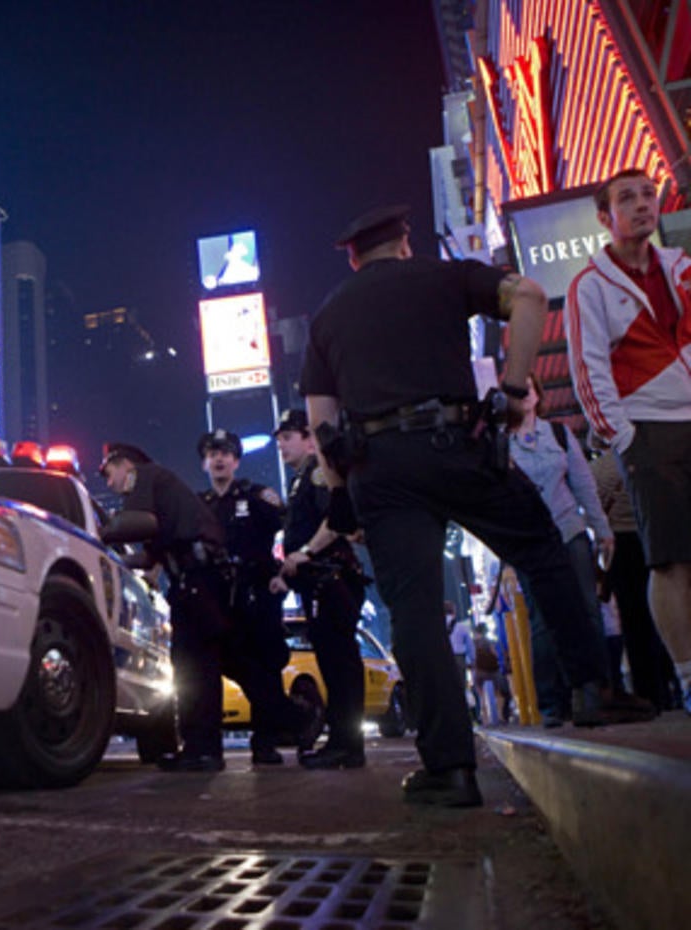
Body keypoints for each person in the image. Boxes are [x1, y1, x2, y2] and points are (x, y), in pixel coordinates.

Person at [299, 203, 616, 809]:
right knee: (542, 549)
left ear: (353, 258)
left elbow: (323, 424)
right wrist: (514, 390)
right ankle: (592, 689)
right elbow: (530, 295)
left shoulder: (329, 313)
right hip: (457, 445)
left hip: (380, 469)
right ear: (405, 243)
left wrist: (341, 494)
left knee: (414, 613)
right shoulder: (446, 277)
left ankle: (450, 771)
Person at [565, 167, 691, 715]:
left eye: (648, 194)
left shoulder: (681, 268)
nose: (643, 205)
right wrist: (624, 437)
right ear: (604, 217)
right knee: (670, 561)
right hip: (649, 429)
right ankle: (687, 676)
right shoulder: (590, 286)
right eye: (627, 198)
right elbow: (587, 367)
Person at [507, 373, 652, 725]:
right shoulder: (500, 442)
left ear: (538, 395)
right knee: (542, 619)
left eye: (530, 387)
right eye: (518, 389)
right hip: (530, 541)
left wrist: (602, 530)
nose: (525, 394)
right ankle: (551, 704)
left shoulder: (559, 434)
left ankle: (595, 693)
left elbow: (583, 484)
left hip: (570, 532)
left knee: (588, 610)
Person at [99, 442, 232, 771]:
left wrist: (102, 534)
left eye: (109, 473)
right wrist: (118, 560)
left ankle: (204, 750)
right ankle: (198, 748)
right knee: (190, 663)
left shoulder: (144, 475)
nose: (109, 483)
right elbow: (150, 555)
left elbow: (138, 523)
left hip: (198, 577)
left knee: (196, 664)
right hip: (193, 578)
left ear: (125, 464)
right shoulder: (162, 490)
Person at [197, 427, 317, 765]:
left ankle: (266, 743)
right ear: (205, 463)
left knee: (266, 663)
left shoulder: (256, 496)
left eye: (225, 453)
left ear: (236, 461)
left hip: (259, 592)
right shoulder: (199, 505)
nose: (219, 459)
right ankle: (296, 717)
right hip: (220, 598)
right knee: (230, 662)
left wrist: (285, 573)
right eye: (212, 454)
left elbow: (291, 529)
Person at [273, 409, 369, 769]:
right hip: (319, 582)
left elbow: (337, 519)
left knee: (340, 664)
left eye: (287, 437)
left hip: (333, 578)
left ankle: (347, 744)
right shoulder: (300, 480)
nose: (281, 445)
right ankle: (342, 741)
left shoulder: (318, 473)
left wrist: (308, 551)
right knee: (332, 663)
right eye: (279, 438)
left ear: (309, 439)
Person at [588, 433, 680, 709]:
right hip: (655, 536)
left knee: (634, 621)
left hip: (621, 546)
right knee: (669, 611)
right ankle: (677, 680)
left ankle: (649, 692)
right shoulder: (648, 456)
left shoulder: (599, 469)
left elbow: (594, 507)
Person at [471, 622, 502, 726]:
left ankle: (485, 720)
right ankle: (500, 716)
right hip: (492, 670)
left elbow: (471, 657)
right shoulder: (489, 641)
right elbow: (495, 654)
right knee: (498, 693)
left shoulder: (473, 643)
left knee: (481, 695)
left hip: (478, 671)